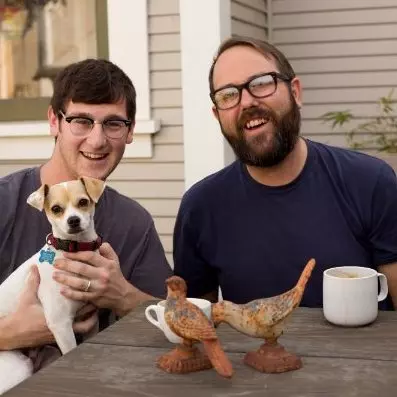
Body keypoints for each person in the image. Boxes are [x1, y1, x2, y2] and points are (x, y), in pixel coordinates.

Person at [173, 36, 397, 310]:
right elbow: (196, 327)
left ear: (296, 92)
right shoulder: (200, 208)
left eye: (261, 83)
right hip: (250, 355)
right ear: (217, 114)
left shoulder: (370, 183)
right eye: (228, 95)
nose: (246, 102)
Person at [0, 59, 173, 370]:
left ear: (131, 131)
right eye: (81, 120)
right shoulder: (4, 203)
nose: (97, 140)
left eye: (113, 123)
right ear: (54, 121)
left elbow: (174, 324)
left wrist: (122, 296)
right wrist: (10, 333)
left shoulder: (134, 224)